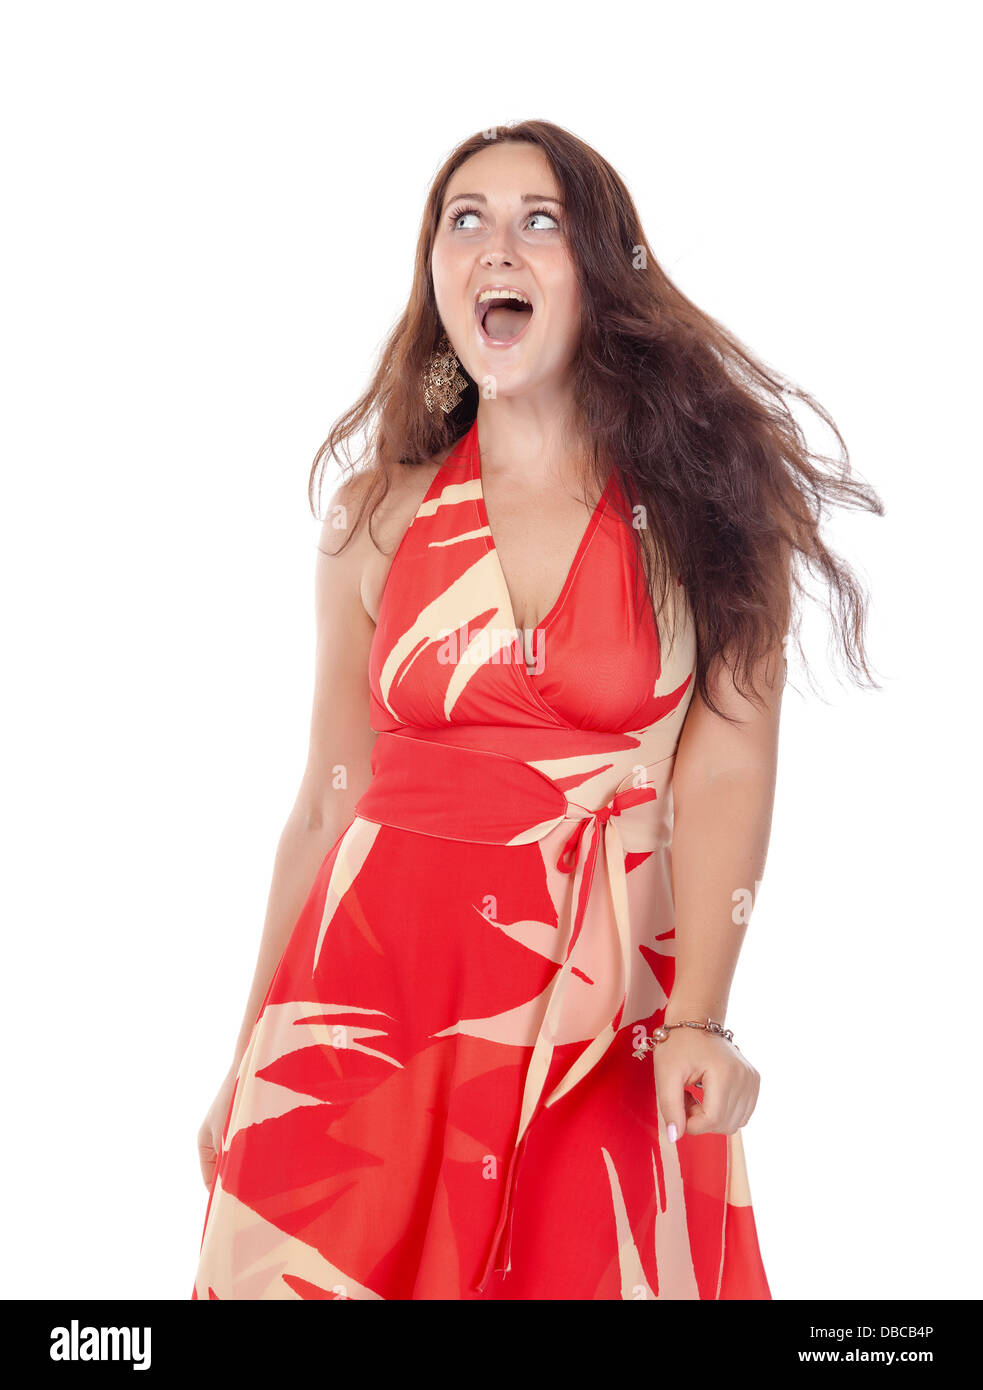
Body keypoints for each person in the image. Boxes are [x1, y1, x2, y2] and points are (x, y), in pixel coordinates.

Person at [192, 120, 881, 1301]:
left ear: (603, 271)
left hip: (597, 1016)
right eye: (465, 219)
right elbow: (327, 798)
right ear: (435, 273)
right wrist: (253, 1049)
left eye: (538, 221)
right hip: (366, 1008)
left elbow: (722, 776)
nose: (494, 246)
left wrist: (699, 1023)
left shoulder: (711, 516)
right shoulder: (379, 513)